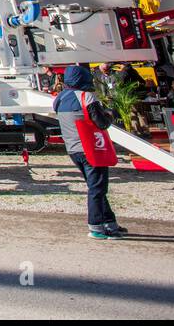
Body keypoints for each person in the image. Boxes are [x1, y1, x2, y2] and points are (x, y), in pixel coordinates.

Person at [53, 65, 125, 240]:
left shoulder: (59, 99)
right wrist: (110, 114)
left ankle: (109, 222)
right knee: (97, 189)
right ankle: (96, 227)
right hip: (91, 147)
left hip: (73, 149)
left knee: (96, 187)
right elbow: (100, 122)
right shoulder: (86, 96)